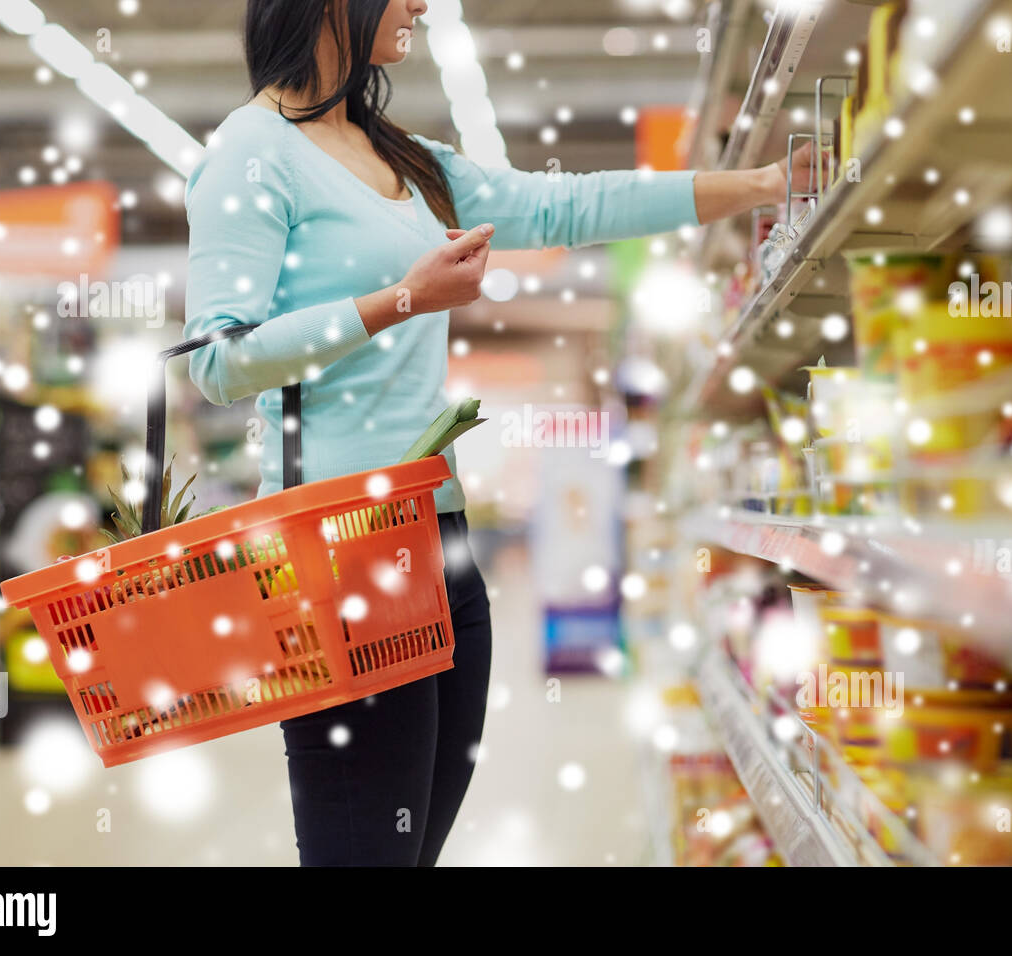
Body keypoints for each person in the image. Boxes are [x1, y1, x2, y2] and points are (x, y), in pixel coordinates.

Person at [183, 0, 813, 866]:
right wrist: (400, 300)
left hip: (439, 543)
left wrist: (764, 186)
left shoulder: (398, 155)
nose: (419, 6)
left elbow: (563, 208)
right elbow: (217, 363)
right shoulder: (249, 154)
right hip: (335, 556)